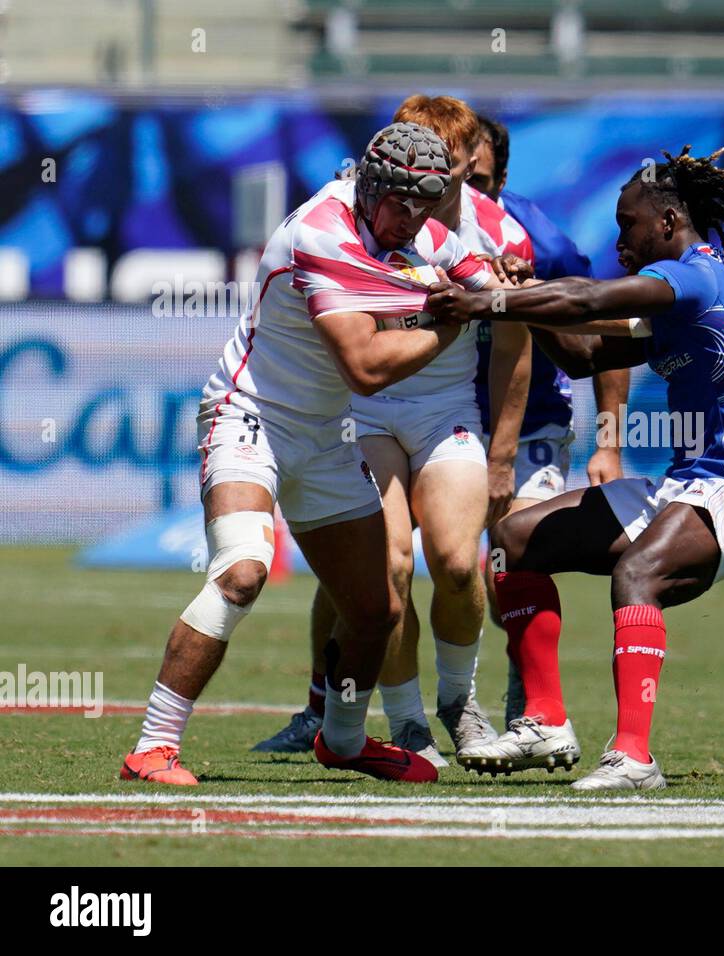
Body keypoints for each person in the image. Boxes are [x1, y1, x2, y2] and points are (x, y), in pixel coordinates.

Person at [120, 122, 500, 785]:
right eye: (401, 201)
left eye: (425, 202)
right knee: (243, 572)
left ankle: (344, 740)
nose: (412, 219)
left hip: (326, 436)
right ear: (370, 187)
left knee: (375, 608)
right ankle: (153, 746)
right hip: (251, 416)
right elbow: (365, 367)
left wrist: (505, 292)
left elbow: (488, 284)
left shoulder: (424, 235)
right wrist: (451, 318)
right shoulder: (322, 232)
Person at [423, 146, 724, 791]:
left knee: (637, 572)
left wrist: (487, 305)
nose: (620, 239)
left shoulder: (696, 278)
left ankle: (633, 758)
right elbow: (582, 355)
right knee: (514, 542)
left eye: (628, 224)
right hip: (689, 485)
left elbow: (585, 298)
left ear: (670, 222)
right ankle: (543, 720)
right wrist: (518, 294)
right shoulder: (679, 297)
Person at [250, 95, 533, 766]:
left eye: (434, 174)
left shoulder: (499, 236)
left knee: (461, 563)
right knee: (391, 567)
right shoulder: (334, 220)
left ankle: (460, 703)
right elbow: (364, 362)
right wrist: (455, 313)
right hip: (364, 413)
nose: (413, 195)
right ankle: (406, 722)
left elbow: (515, 329)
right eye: (402, 177)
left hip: (445, 411)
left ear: (464, 165)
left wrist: (504, 452)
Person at [471, 113, 629, 724]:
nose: (466, 195)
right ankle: (328, 705)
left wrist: (609, 442)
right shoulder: (411, 232)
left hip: (532, 422)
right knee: (392, 563)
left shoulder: (544, 239)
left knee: (510, 557)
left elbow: (609, 333)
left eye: (480, 181)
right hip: (438, 423)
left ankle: (530, 709)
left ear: (503, 177)